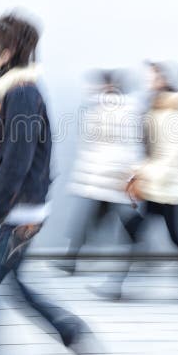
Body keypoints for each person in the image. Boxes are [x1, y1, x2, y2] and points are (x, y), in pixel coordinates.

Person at [0, 12, 95, 355]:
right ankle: (73, 332)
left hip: (14, 212)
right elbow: (1, 156)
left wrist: (0, 209)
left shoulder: (20, 93)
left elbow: (19, 158)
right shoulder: (12, 92)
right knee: (8, 286)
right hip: (18, 208)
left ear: (7, 51)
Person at [93, 61, 178, 300]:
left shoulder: (176, 112)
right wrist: (138, 172)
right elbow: (151, 150)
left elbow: (174, 155)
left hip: (171, 188)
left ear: (166, 79)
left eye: (154, 76)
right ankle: (115, 286)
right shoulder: (155, 107)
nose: (150, 81)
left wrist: (143, 175)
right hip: (158, 188)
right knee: (136, 231)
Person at [58, 69, 142, 275]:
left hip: (110, 178)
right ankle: (73, 258)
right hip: (103, 179)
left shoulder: (113, 111)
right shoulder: (105, 109)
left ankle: (73, 258)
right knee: (92, 219)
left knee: (94, 219)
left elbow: (121, 144)